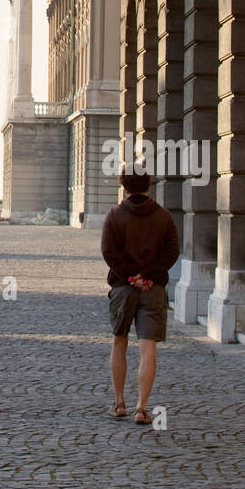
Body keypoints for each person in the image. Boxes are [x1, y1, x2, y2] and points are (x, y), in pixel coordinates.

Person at [101, 170, 179, 424]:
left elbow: (109, 253)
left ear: (124, 188)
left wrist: (130, 276)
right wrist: (148, 276)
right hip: (153, 289)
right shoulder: (163, 216)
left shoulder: (114, 215)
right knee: (148, 350)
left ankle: (119, 402)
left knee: (119, 342)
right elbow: (171, 253)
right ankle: (142, 408)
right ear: (148, 186)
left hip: (123, 288)